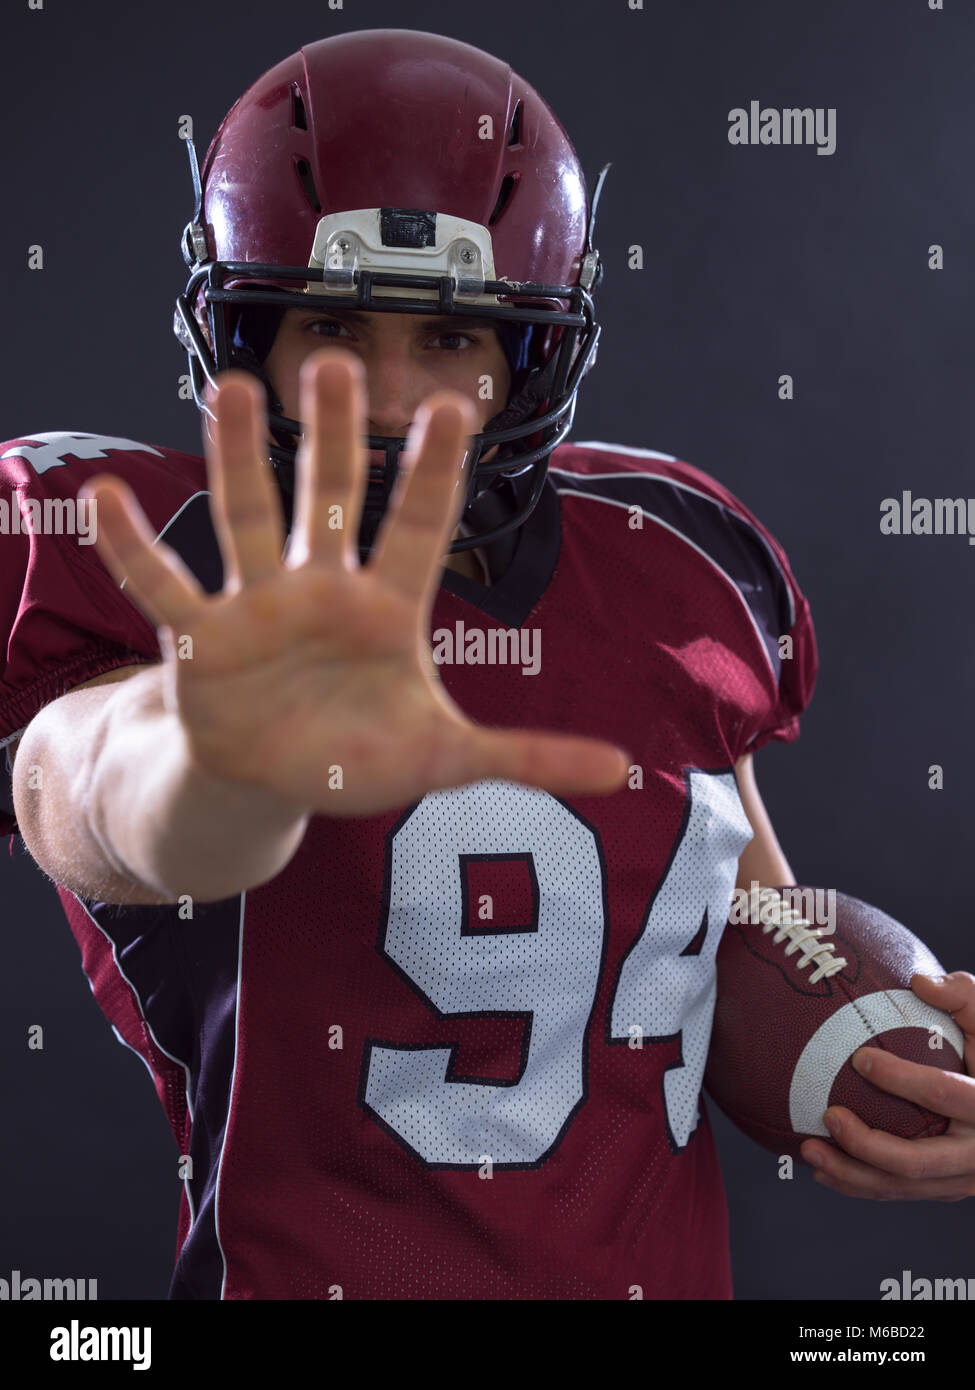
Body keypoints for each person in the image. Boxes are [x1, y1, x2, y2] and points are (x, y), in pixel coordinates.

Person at [1, 28, 971, 1302]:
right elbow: (90, 798)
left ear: (533, 358)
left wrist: (883, 1048)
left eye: (453, 341)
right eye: (333, 324)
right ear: (239, 336)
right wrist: (222, 748)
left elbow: (736, 923)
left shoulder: (674, 552)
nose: (395, 400)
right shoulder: (148, 550)